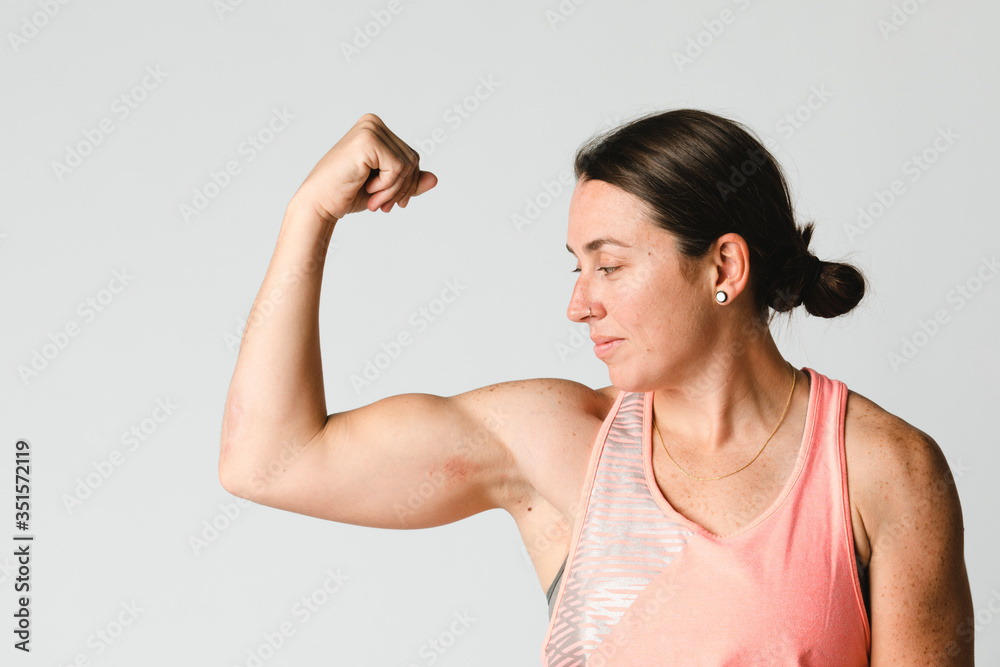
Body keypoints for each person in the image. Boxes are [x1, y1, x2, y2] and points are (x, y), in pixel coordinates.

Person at [218, 109, 974, 665]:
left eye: (608, 265)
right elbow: (267, 460)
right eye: (574, 266)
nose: (579, 303)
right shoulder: (560, 443)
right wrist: (309, 213)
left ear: (723, 268)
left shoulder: (885, 471)